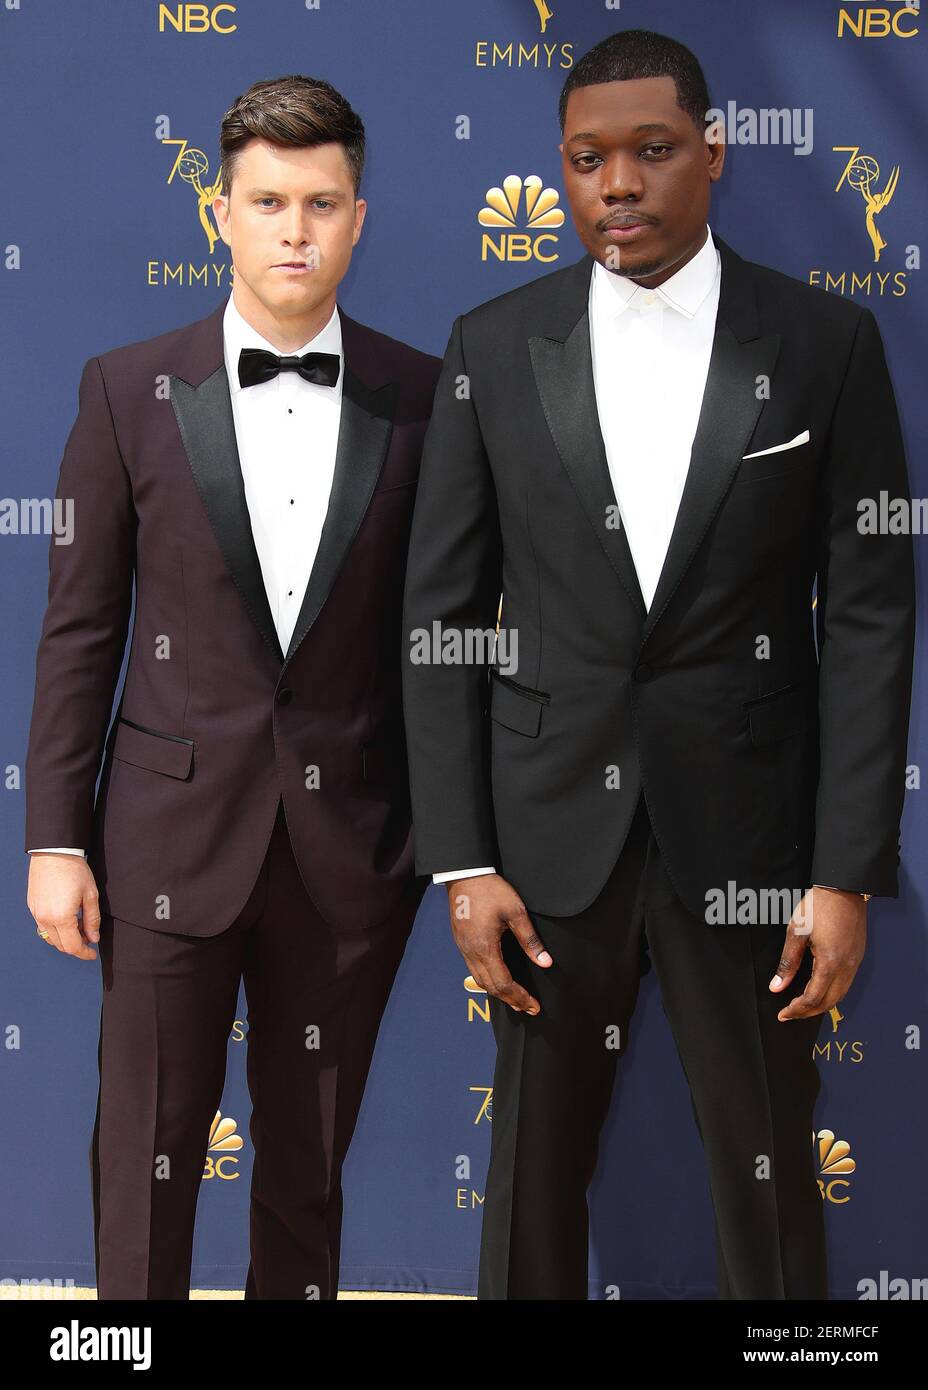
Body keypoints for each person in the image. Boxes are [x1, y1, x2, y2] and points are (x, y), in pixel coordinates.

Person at [402, 29, 916, 1300]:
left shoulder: (821, 344)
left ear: (713, 155)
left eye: (650, 151)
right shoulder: (492, 343)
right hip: (541, 849)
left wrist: (844, 869)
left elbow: (866, 617)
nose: (616, 185)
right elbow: (442, 617)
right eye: (586, 160)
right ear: (563, 174)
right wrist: (462, 858)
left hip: (749, 837)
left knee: (768, 1178)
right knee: (527, 1181)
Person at [25, 74, 440, 1300]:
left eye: (320, 202)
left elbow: (442, 642)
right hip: (162, 839)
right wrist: (55, 834)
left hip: (348, 849)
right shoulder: (124, 387)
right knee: (145, 1156)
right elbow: (78, 631)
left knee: (308, 1170)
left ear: (359, 216)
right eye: (267, 202)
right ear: (219, 214)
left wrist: (453, 843)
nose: (294, 230)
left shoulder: (423, 398)